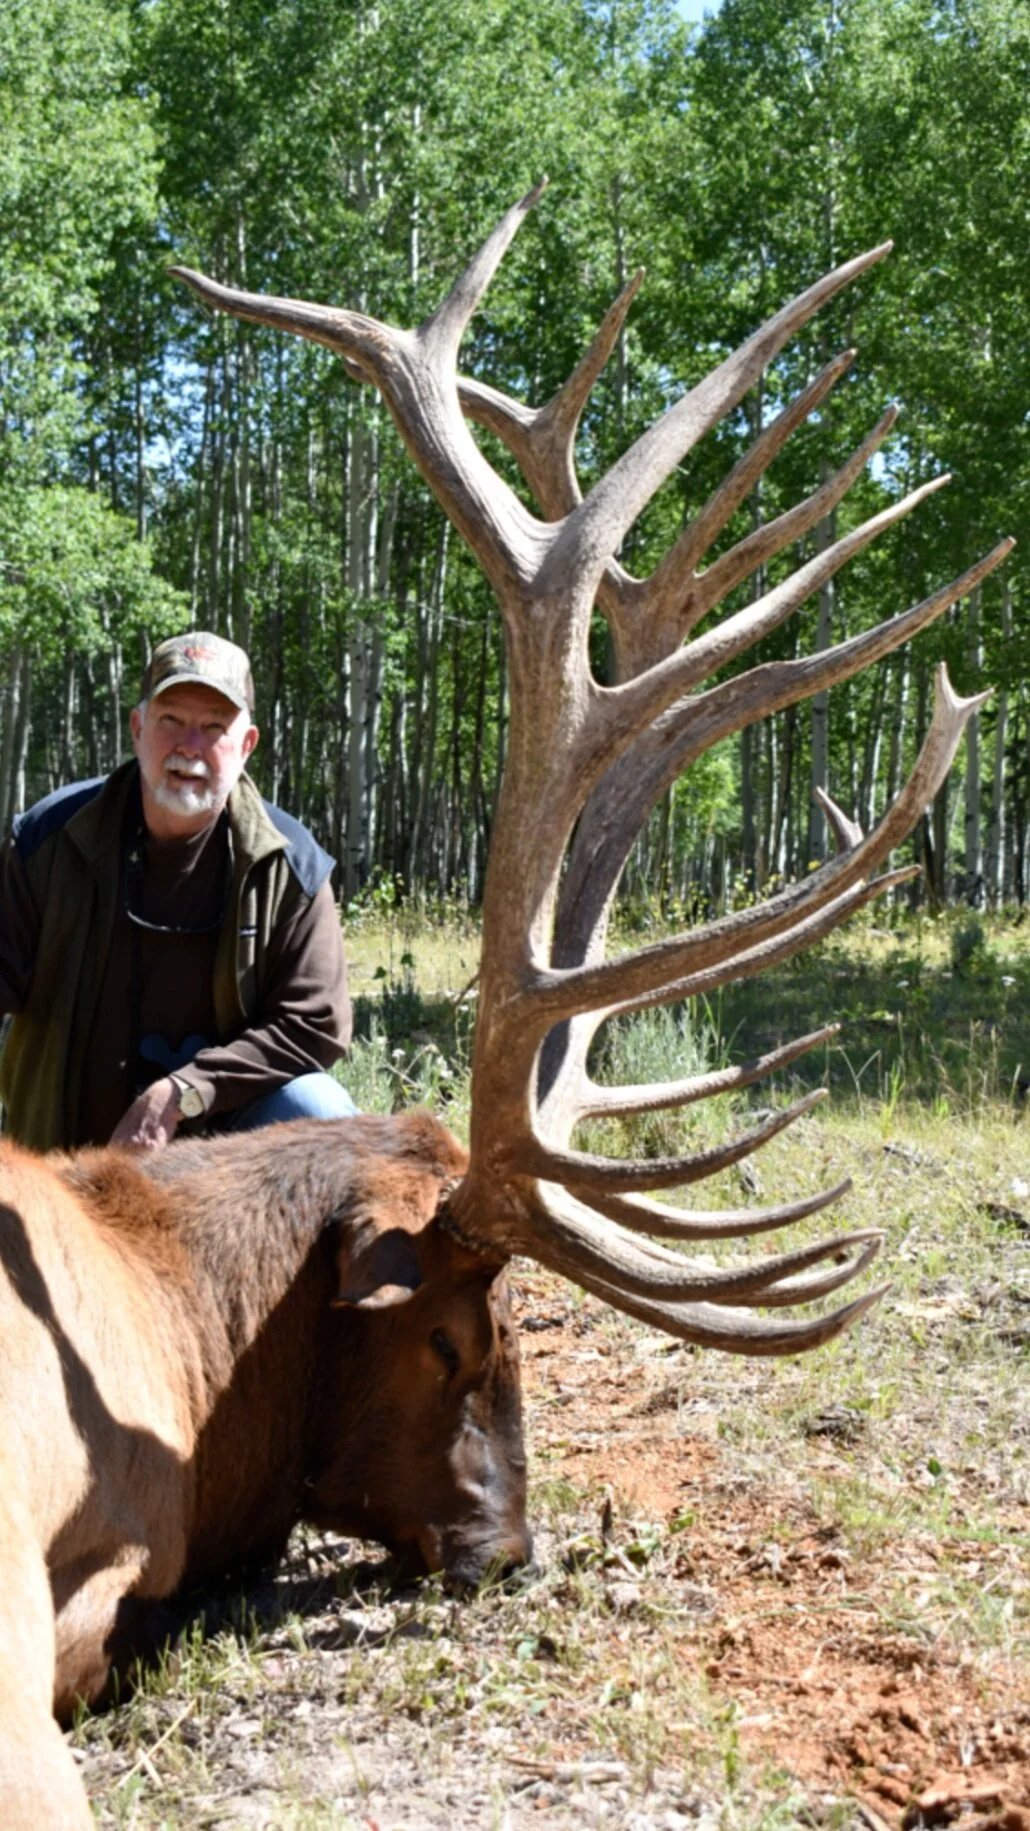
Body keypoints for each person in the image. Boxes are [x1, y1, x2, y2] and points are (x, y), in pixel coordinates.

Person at [0, 631, 356, 1152]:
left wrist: (185, 1091)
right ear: (138, 727)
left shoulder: (288, 866)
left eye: (214, 727)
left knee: (320, 1112)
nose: (190, 748)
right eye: (171, 721)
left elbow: (316, 1024)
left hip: (223, 1166)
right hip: (65, 1153)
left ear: (247, 745)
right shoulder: (48, 839)